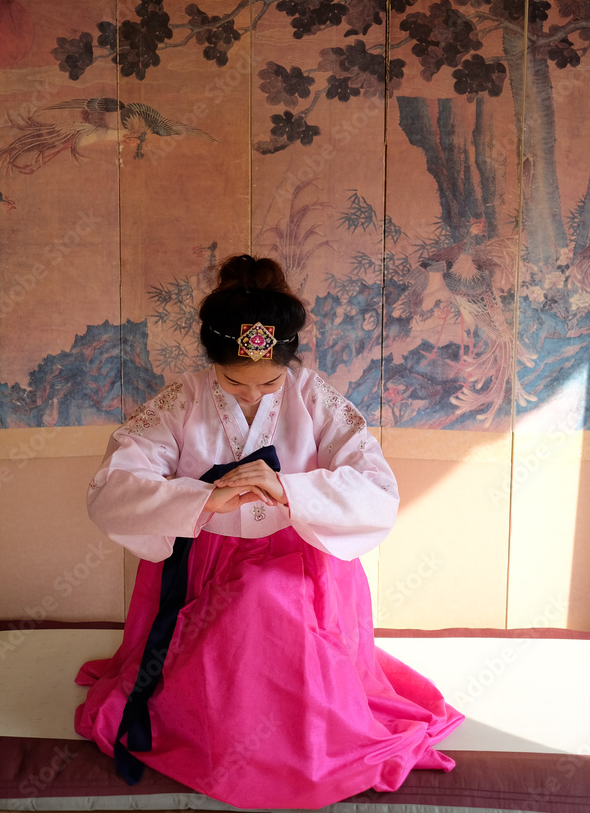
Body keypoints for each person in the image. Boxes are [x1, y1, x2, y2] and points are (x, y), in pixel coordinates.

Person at [75, 254, 463, 810]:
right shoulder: (181, 399)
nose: (253, 394)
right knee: (230, 633)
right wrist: (204, 498)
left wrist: (291, 491)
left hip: (302, 563)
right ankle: (231, 737)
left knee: (265, 604)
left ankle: (287, 745)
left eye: (269, 381)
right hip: (203, 565)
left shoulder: (314, 397)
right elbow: (112, 489)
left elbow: (378, 491)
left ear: (289, 364)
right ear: (212, 360)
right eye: (234, 380)